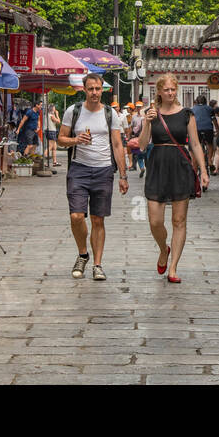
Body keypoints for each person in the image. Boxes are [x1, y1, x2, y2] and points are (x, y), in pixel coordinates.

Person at [136, 73, 209, 284]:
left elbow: (195, 144)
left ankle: (174, 267)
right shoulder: (151, 113)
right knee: (155, 220)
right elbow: (141, 145)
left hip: (180, 167)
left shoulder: (187, 114)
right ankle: (163, 249)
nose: (170, 93)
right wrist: (147, 123)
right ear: (158, 91)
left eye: (173, 89)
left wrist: (203, 171)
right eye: (166, 90)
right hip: (157, 167)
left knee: (179, 220)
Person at [57, 73, 127, 281]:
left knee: (98, 219)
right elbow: (61, 139)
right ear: (84, 89)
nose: (95, 93)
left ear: (102, 90)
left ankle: (97, 264)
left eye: (98, 89)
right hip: (79, 169)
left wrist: (123, 175)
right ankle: (82, 254)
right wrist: (76, 140)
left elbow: (117, 145)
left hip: (104, 170)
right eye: (91, 89)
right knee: (76, 216)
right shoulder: (74, 111)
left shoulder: (109, 114)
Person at [190, 94, 215, 177]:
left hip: (196, 130)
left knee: (194, 147)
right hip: (208, 129)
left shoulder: (192, 109)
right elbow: (214, 120)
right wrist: (218, 131)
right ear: (205, 102)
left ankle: (195, 165)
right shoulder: (210, 109)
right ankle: (210, 160)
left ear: (196, 102)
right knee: (210, 144)